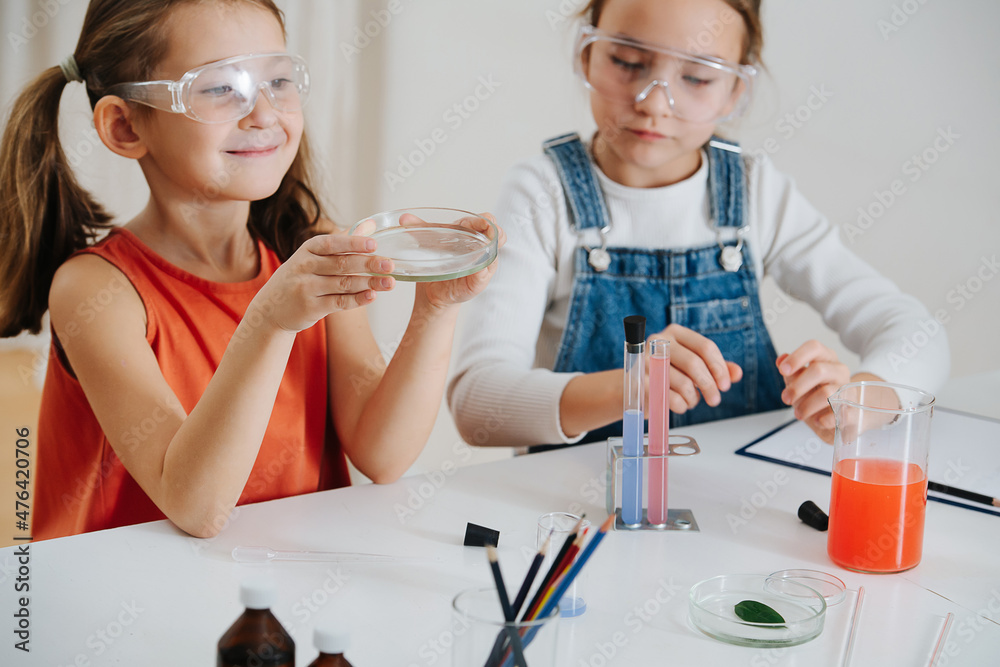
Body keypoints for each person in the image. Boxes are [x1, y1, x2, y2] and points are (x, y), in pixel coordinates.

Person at [0, 0, 500, 540]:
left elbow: (383, 454)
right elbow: (195, 506)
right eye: (220, 87)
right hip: (135, 601)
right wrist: (270, 322)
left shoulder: (306, 245)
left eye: (278, 80)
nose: (263, 112)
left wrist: (435, 307)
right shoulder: (95, 291)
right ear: (124, 126)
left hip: (279, 592)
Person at [448, 0, 948, 451]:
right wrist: (631, 384)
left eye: (698, 78)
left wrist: (860, 397)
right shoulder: (544, 192)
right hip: (583, 509)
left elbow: (917, 333)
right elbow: (477, 404)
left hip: (735, 509)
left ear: (735, 91)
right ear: (586, 57)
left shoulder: (757, 192)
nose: (654, 102)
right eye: (626, 62)